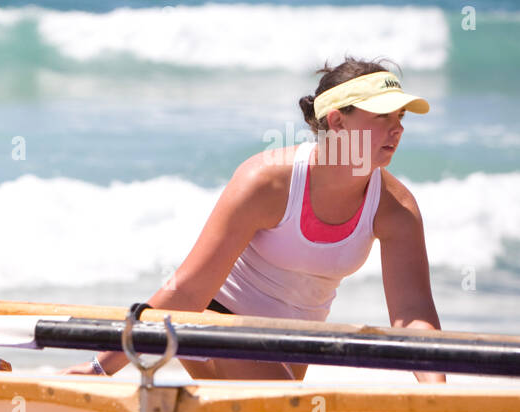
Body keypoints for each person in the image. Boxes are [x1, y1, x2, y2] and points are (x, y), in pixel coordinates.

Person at [71, 57, 446, 383]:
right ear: (337, 121)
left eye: (400, 116)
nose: (398, 128)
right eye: (383, 116)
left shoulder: (396, 209)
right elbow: (186, 291)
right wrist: (100, 368)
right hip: (214, 327)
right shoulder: (266, 182)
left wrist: (439, 395)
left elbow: (413, 318)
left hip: (291, 352)